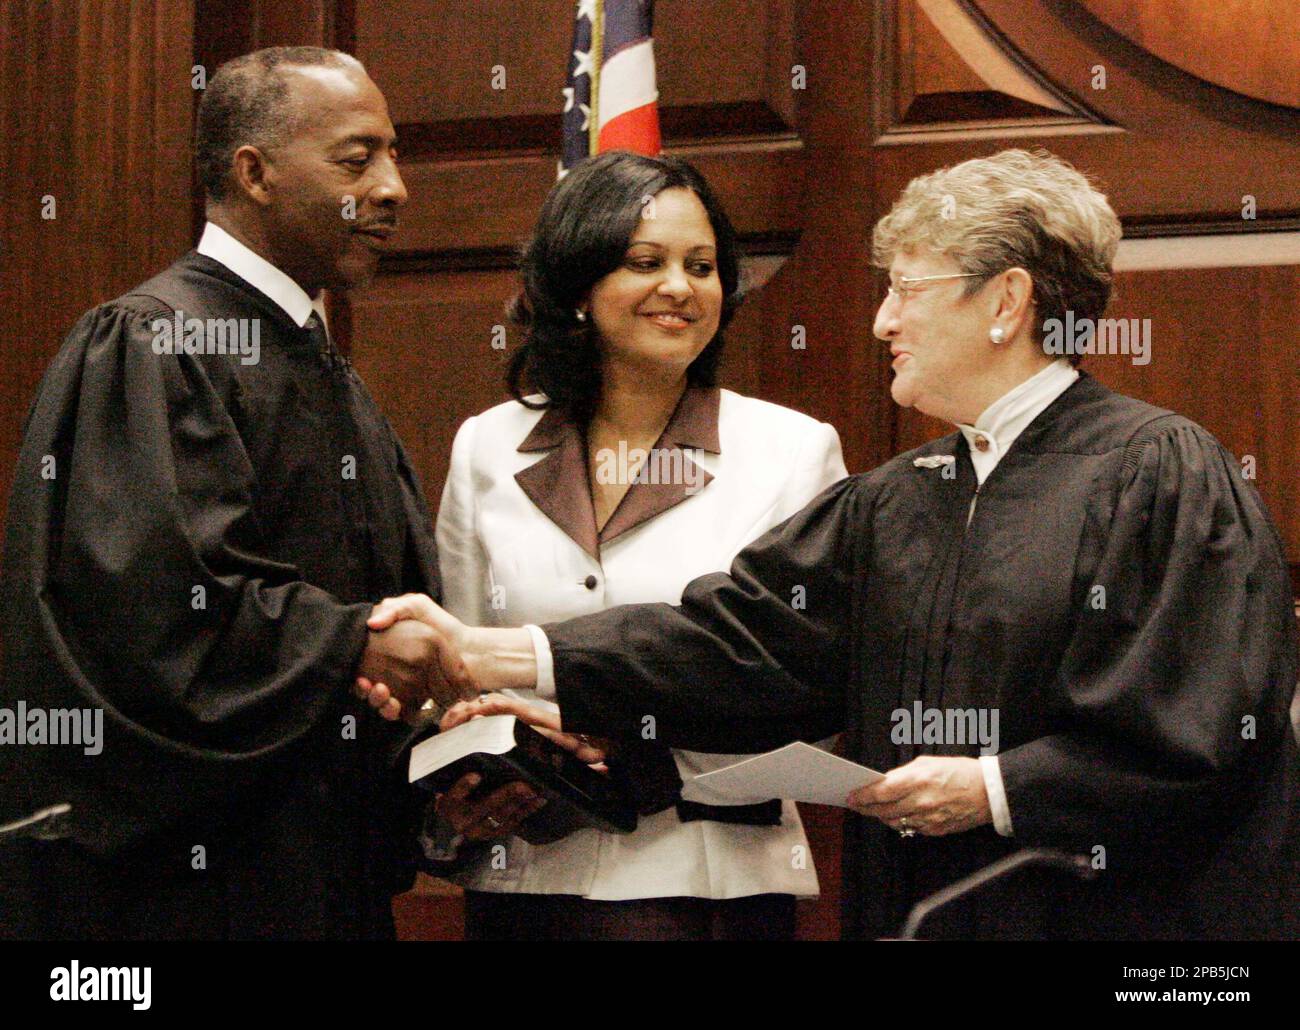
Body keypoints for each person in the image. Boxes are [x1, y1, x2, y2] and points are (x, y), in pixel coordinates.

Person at [362, 149, 1300, 940]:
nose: (884, 320)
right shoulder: (900, 498)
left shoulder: (1160, 474)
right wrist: (497, 652)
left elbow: (1205, 733)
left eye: (906, 290)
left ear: (1007, 301)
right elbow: (740, 642)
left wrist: (994, 788)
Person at [0, 46, 471, 941]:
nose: (394, 188)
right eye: (357, 159)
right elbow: (153, 618)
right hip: (188, 898)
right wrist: (357, 647)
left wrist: (440, 772)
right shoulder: (152, 345)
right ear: (254, 173)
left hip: (327, 887)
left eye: (395, 155)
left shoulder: (321, 364)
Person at [411, 151, 847, 941]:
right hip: (525, 876)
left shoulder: (791, 450)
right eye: (646, 262)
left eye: (701, 267)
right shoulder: (487, 445)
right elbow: (460, 668)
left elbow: (807, 694)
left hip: (703, 883)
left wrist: (632, 762)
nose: (680, 286)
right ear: (578, 286)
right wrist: (473, 781)